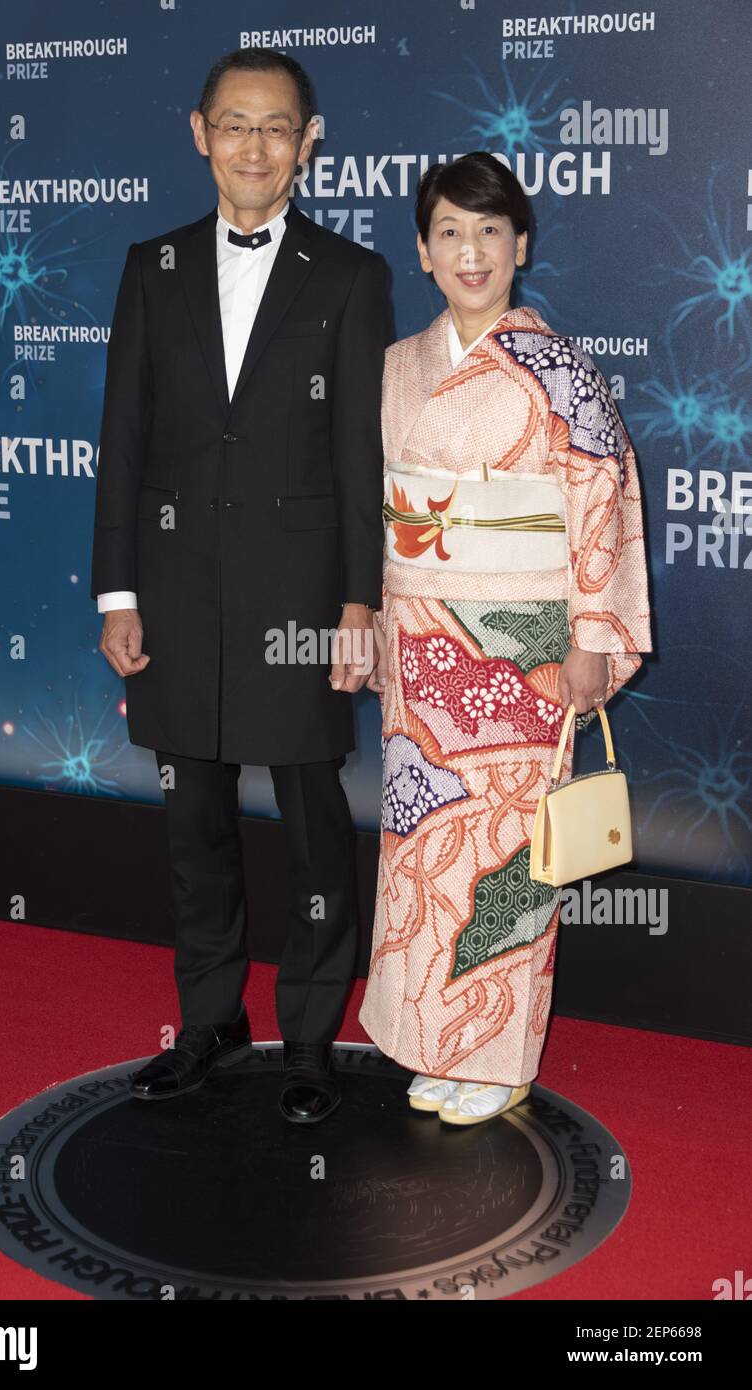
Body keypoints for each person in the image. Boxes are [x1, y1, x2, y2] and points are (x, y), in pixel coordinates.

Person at [91, 48, 391, 1124]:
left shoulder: (353, 276)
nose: (253, 146)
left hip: (306, 602)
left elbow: (363, 458)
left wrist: (361, 602)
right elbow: (121, 441)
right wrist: (114, 593)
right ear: (198, 133)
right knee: (194, 823)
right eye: (234, 124)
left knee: (314, 823)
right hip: (176, 595)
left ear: (308, 142)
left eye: (276, 127)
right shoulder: (150, 266)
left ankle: (310, 1034)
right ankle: (208, 1017)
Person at [359, 152, 652, 1125]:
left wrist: (591, 636)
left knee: (506, 854)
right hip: (418, 630)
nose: (469, 251)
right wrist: (364, 620)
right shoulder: (399, 366)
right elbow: (375, 511)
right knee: (420, 850)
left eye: (488, 231)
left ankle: (498, 1052)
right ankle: (427, 1037)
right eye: (448, 231)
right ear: (420, 249)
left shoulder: (559, 371)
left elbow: (599, 502)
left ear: (519, 245)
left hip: (519, 640)